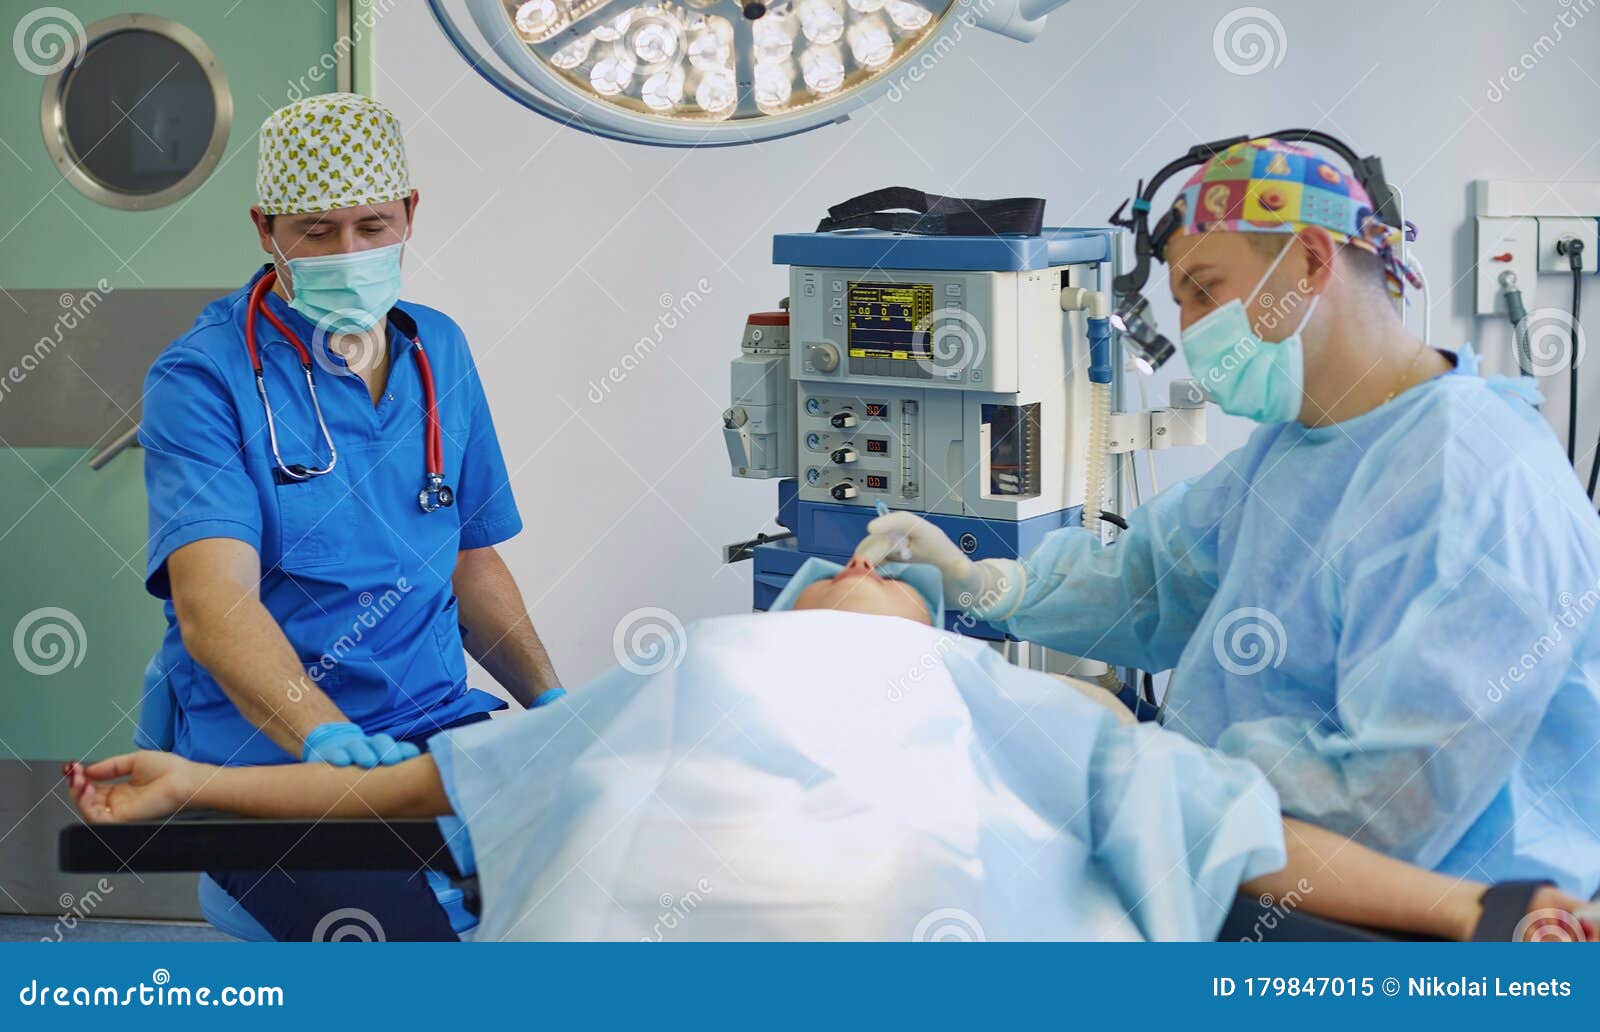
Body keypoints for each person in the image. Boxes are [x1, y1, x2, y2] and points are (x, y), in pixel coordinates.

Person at [70, 561, 1594, 941]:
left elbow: (1257, 840)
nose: (865, 556)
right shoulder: (663, 684)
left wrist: (1483, 911)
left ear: (944, 625)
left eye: (896, 563)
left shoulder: (1027, 709)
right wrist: (195, 780)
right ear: (785, 605)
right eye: (839, 559)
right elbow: (406, 785)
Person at [855, 137, 1600, 898]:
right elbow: (1149, 581)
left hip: (1422, 915)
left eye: (1205, 291)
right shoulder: (1303, 445)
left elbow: (1393, 800)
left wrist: (1139, 765)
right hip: (1249, 855)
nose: (1190, 332)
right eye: (1180, 302)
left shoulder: (1475, 480)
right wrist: (981, 582)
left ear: (1311, 260)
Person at [136, 93, 563, 940]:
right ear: (266, 229)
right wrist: (327, 740)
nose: (349, 252)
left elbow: (468, 558)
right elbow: (214, 607)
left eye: (372, 226)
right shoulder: (204, 379)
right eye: (316, 232)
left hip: (438, 726)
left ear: (409, 213)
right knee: (409, 952)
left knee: (590, 890)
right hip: (277, 752)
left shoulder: (438, 349)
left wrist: (555, 706)